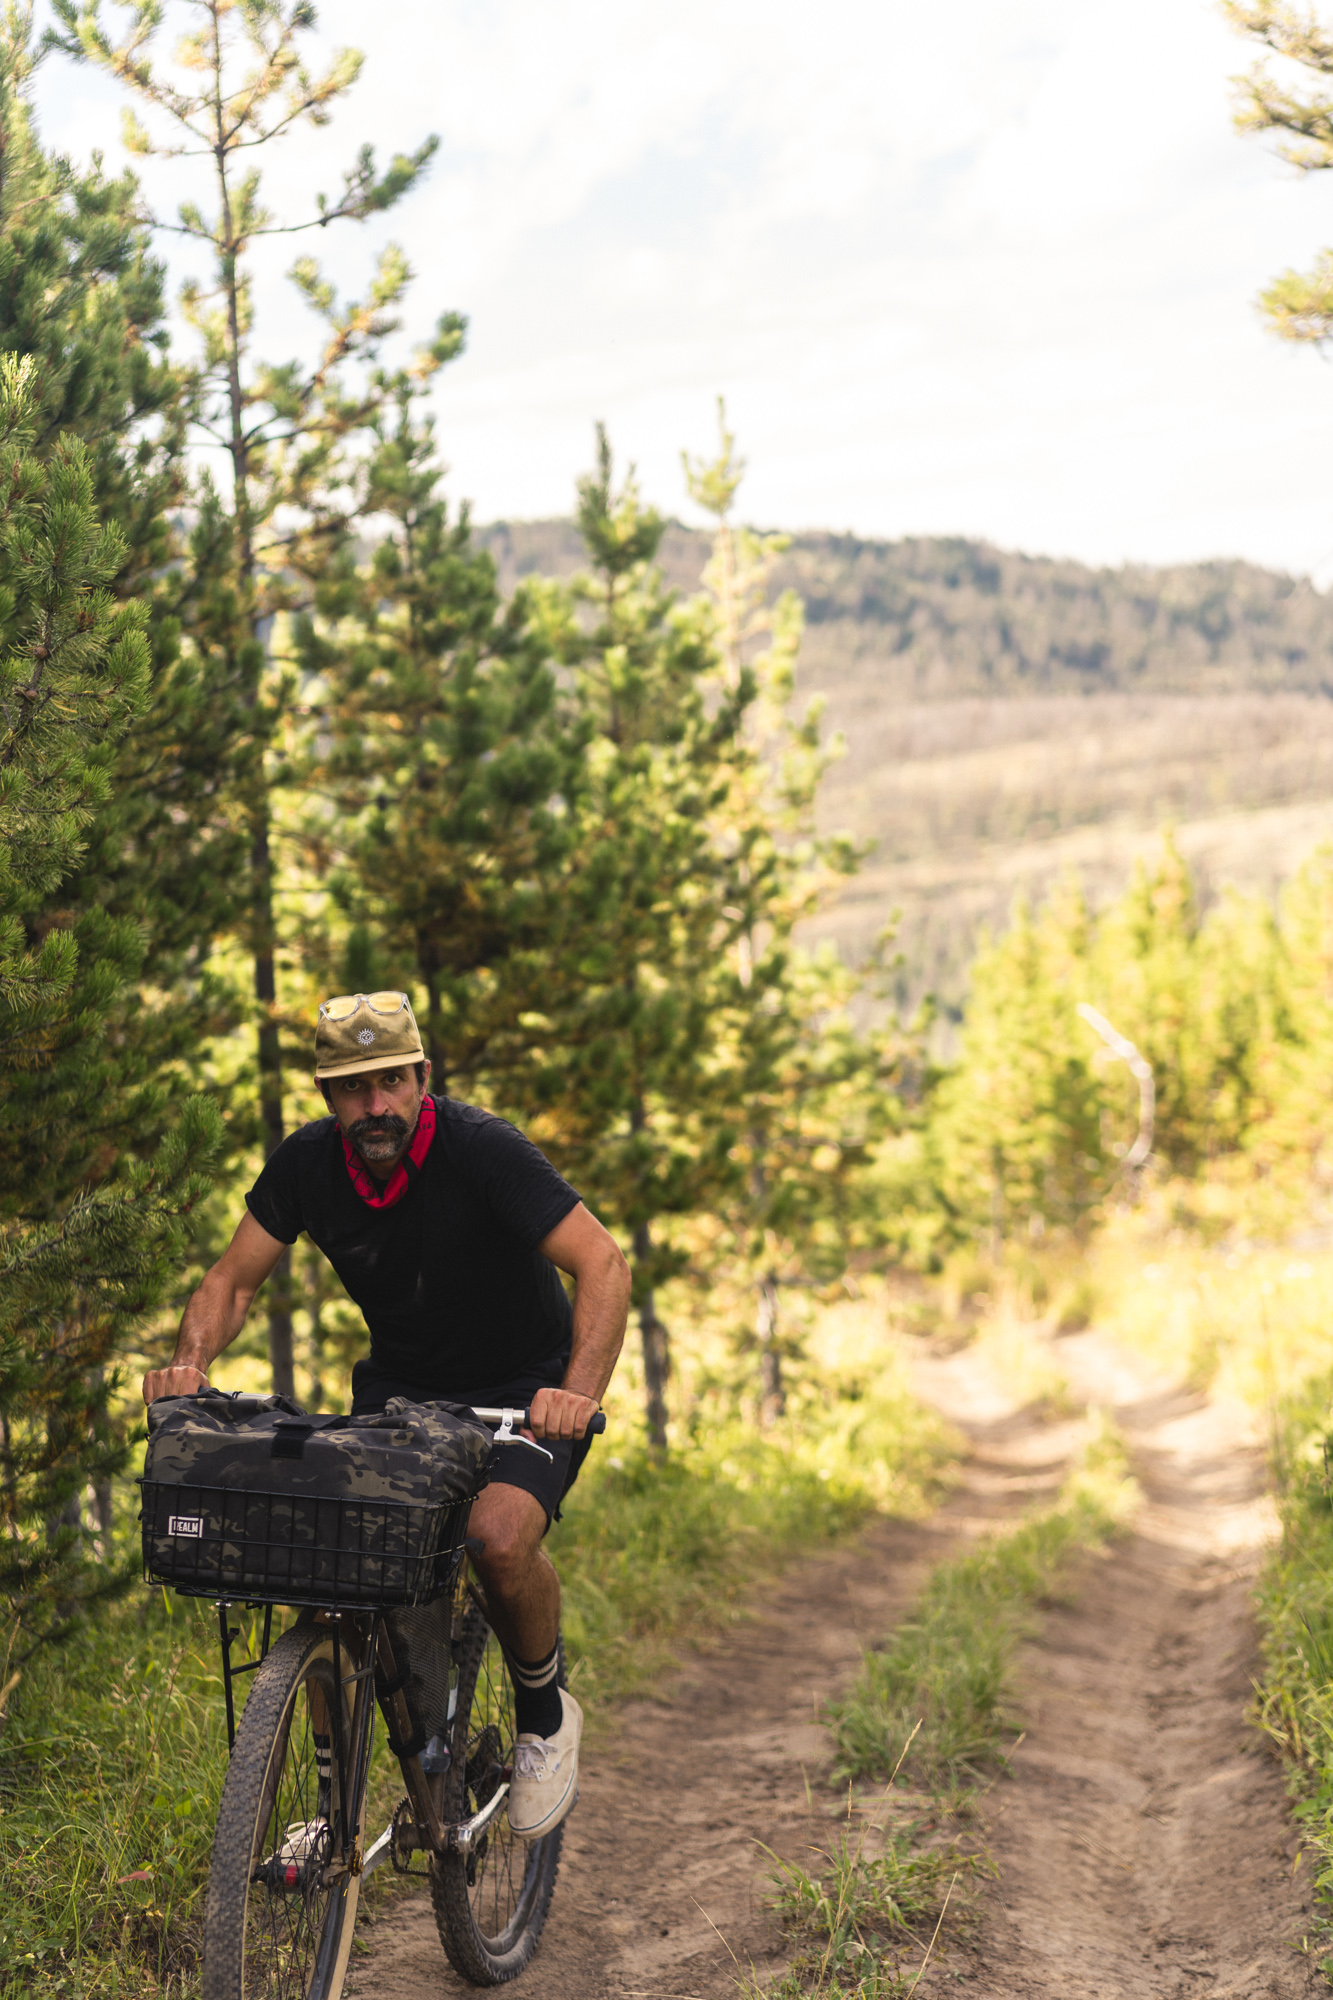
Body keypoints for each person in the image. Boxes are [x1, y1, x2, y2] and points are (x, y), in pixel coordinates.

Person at [143, 990, 630, 1840]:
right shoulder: (306, 1167)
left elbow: (604, 1264)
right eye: (353, 1087)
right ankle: (337, 1809)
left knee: (498, 1539)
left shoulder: (482, 1152)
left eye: (391, 1082)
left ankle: (544, 1716)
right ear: (328, 1096)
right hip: (404, 1395)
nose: (375, 1105)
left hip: (527, 1386)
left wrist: (575, 1393)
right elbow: (232, 1280)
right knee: (333, 1574)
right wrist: (190, 1364)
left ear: (422, 1079)